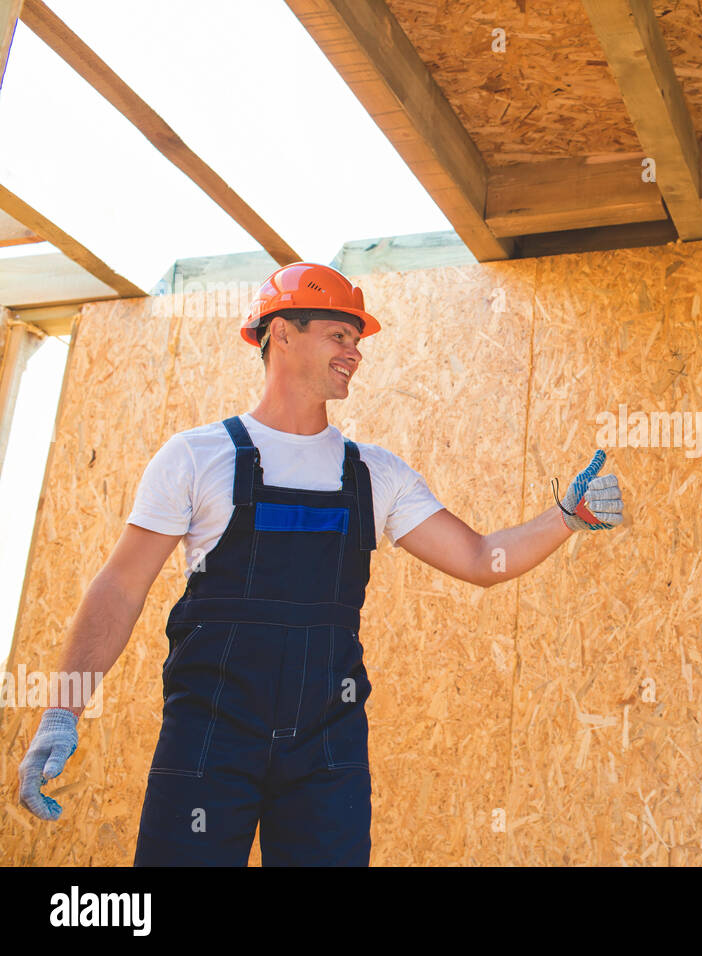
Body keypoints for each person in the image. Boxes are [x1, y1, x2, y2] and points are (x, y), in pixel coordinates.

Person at [17, 262, 624, 865]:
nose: (354, 353)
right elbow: (120, 589)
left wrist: (565, 518)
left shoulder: (375, 474)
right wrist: (62, 711)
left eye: (356, 340)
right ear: (279, 332)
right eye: (339, 335)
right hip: (210, 739)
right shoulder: (197, 458)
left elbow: (478, 558)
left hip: (325, 749)